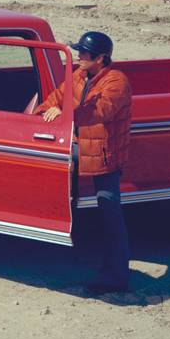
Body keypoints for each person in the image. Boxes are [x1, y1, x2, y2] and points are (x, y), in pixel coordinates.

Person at [35, 31, 132, 294]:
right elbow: (54, 99)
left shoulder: (117, 82)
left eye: (84, 54)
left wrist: (66, 111)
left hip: (104, 156)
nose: (79, 57)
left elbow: (101, 111)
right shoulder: (79, 76)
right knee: (65, 201)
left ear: (101, 58)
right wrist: (43, 112)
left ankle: (116, 276)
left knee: (110, 214)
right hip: (76, 148)